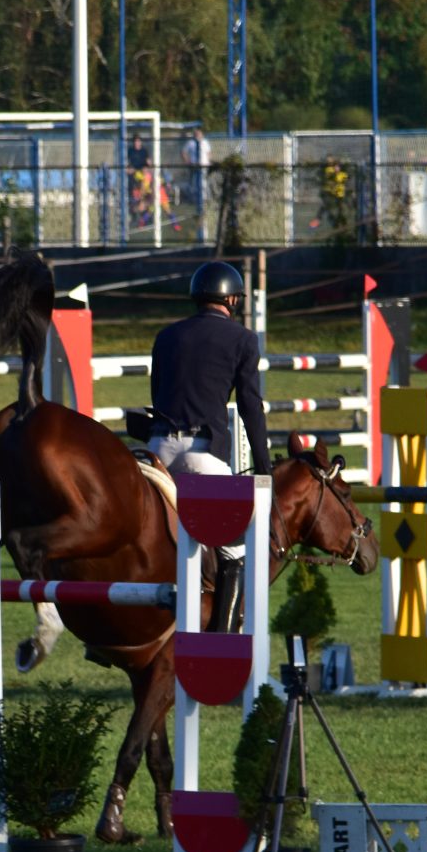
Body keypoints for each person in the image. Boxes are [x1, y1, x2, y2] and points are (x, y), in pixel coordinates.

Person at [148, 261, 270, 632]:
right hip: (202, 455)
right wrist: (264, 467)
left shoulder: (165, 336)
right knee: (236, 549)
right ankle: (223, 638)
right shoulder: (243, 339)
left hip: (157, 451)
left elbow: (157, 394)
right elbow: (250, 407)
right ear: (231, 298)